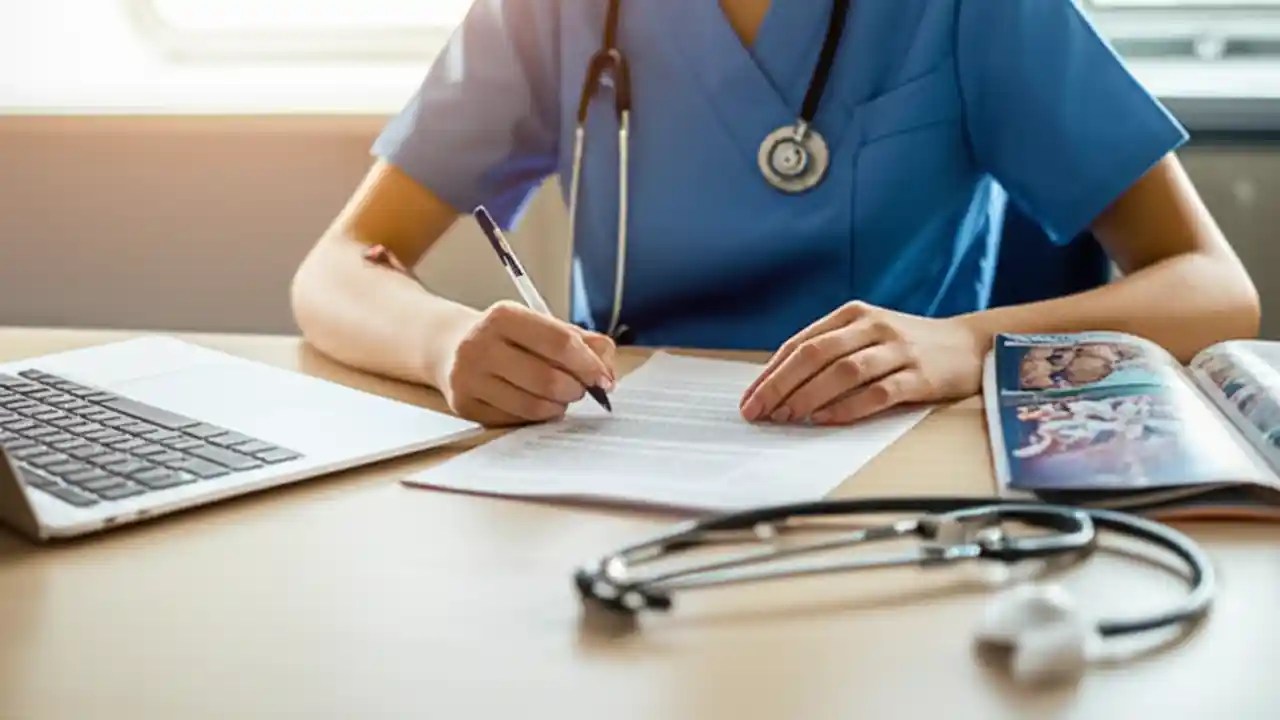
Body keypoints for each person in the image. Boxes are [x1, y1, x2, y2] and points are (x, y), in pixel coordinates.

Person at [291, 0, 1260, 428]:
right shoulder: (551, 9)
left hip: (894, 485)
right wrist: (445, 346)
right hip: (612, 475)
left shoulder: (974, 5)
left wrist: (963, 346)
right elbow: (336, 269)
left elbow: (1210, 290)